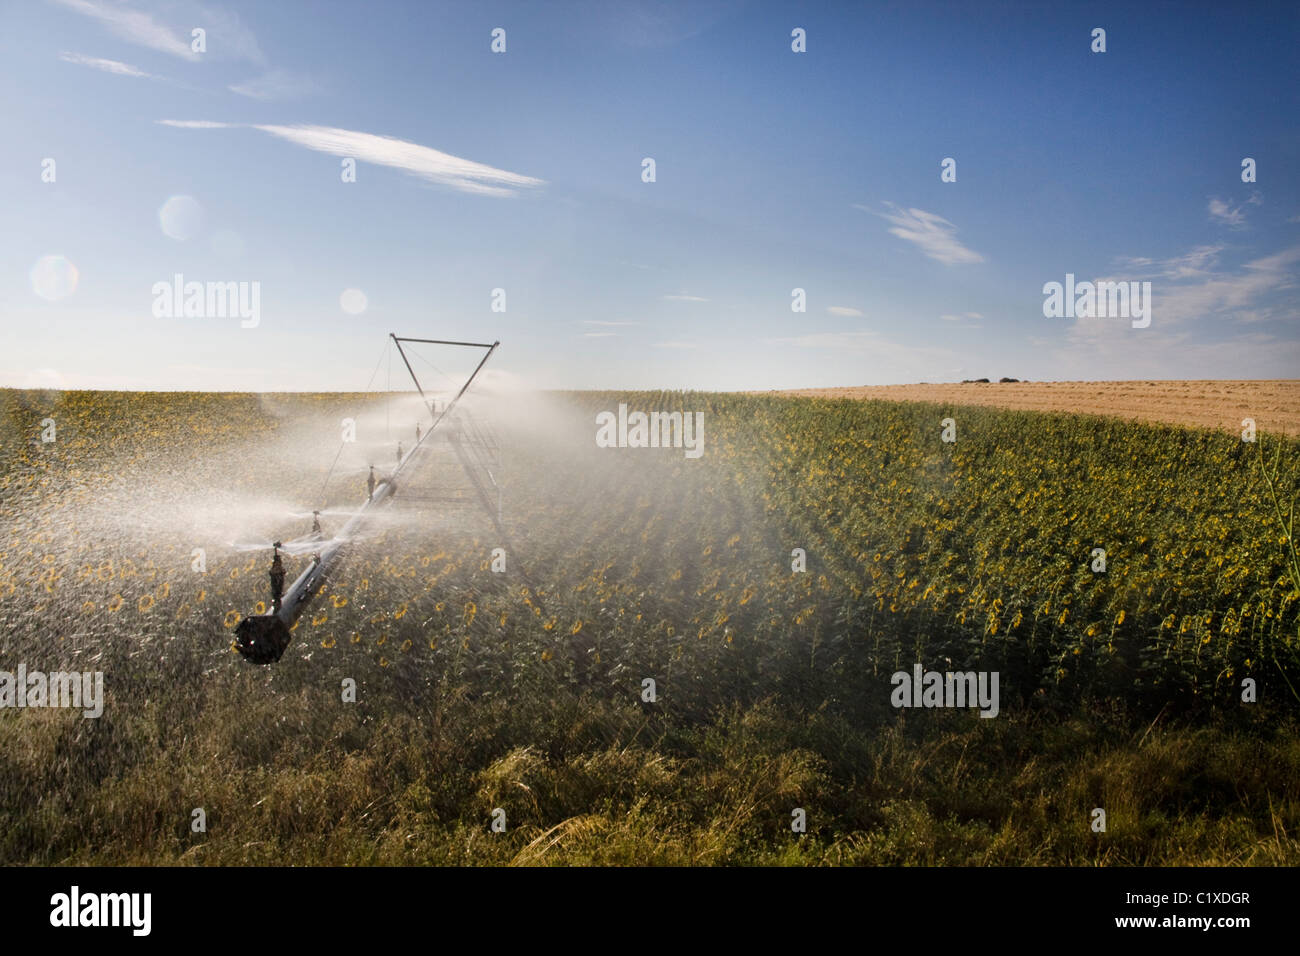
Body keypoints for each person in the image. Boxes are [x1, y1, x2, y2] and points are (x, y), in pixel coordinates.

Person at [269, 544, 285, 611]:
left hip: (277, 590)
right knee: (277, 590)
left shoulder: (278, 571)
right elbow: (273, 572)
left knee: (277, 590)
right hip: (276, 590)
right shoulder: (275, 572)